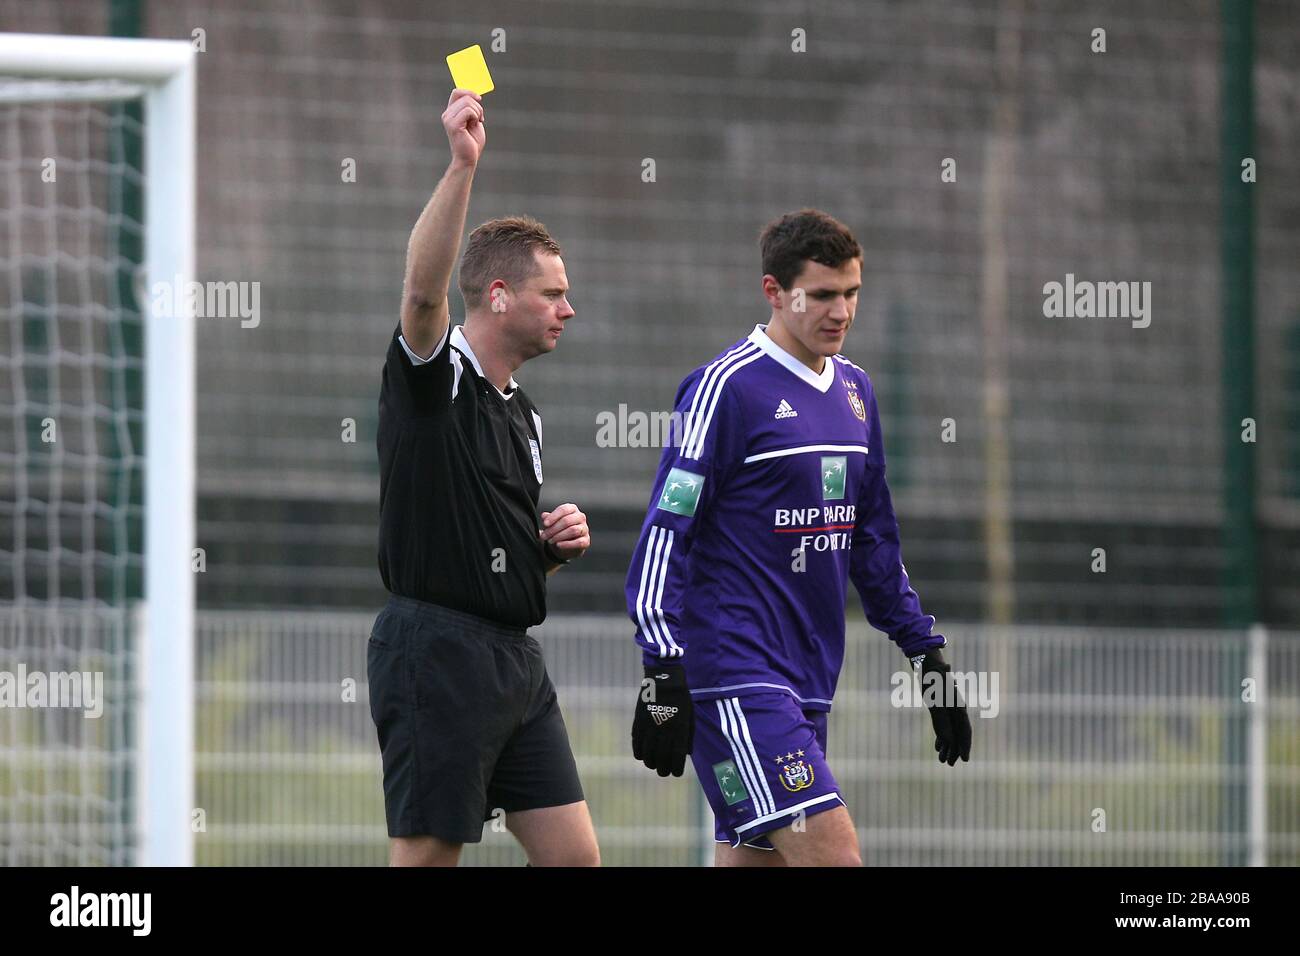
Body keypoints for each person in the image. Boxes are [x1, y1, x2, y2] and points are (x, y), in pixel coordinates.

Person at [625, 208, 971, 867]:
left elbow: (872, 542)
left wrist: (927, 657)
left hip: (810, 681)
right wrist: (662, 669)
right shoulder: (726, 388)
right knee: (834, 856)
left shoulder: (857, 393)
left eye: (852, 294)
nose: (840, 311)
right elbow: (665, 533)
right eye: (821, 295)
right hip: (735, 675)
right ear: (775, 292)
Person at [368, 87, 598, 866]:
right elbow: (423, 293)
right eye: (554, 294)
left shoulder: (525, 415)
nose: (569, 310)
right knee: (429, 858)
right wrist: (463, 165)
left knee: (575, 858)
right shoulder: (436, 377)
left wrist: (547, 549)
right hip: (436, 652)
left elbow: (487, 544)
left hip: (514, 660)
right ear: (499, 296)